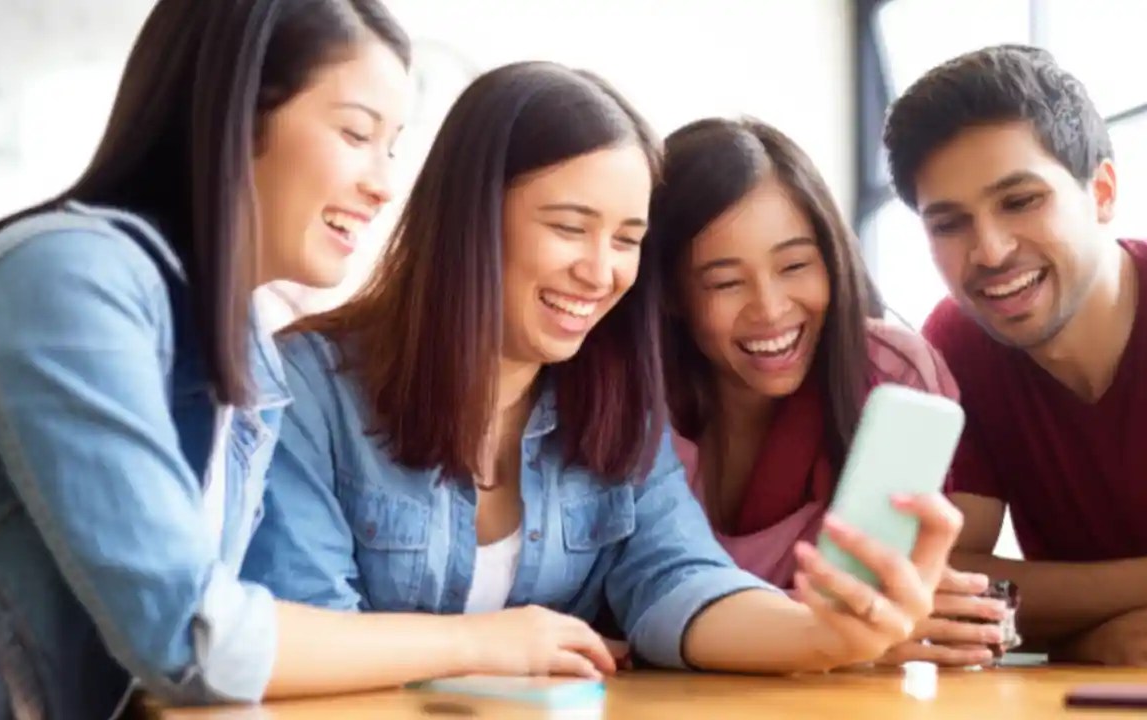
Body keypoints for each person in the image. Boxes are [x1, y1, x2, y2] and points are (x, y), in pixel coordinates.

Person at [241, 61, 964, 679]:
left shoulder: (615, 397)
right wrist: (490, 645)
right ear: (469, 219)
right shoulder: (310, 388)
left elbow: (678, 578)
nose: (600, 272)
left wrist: (823, 636)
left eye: (627, 239)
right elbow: (293, 632)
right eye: (569, 227)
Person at [0, 0, 565, 715]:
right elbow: (195, 638)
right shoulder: (68, 276)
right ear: (234, 114)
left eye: (391, 147)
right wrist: (481, 642)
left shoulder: (246, 337)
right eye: (356, 133)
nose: (384, 185)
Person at [883, 43, 1147, 666]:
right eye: (949, 224)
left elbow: (983, 593)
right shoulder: (955, 344)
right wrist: (1102, 632)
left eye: (1020, 201)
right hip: (1106, 685)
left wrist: (1066, 615)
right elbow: (946, 582)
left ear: (1102, 192)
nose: (991, 251)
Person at [647, 117, 1006, 668]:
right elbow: (631, 597)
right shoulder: (635, 400)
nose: (771, 309)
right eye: (725, 282)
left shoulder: (889, 376)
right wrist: (828, 631)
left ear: (832, 259)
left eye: (795, 265)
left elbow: (895, 596)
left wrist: (899, 613)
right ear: (670, 294)